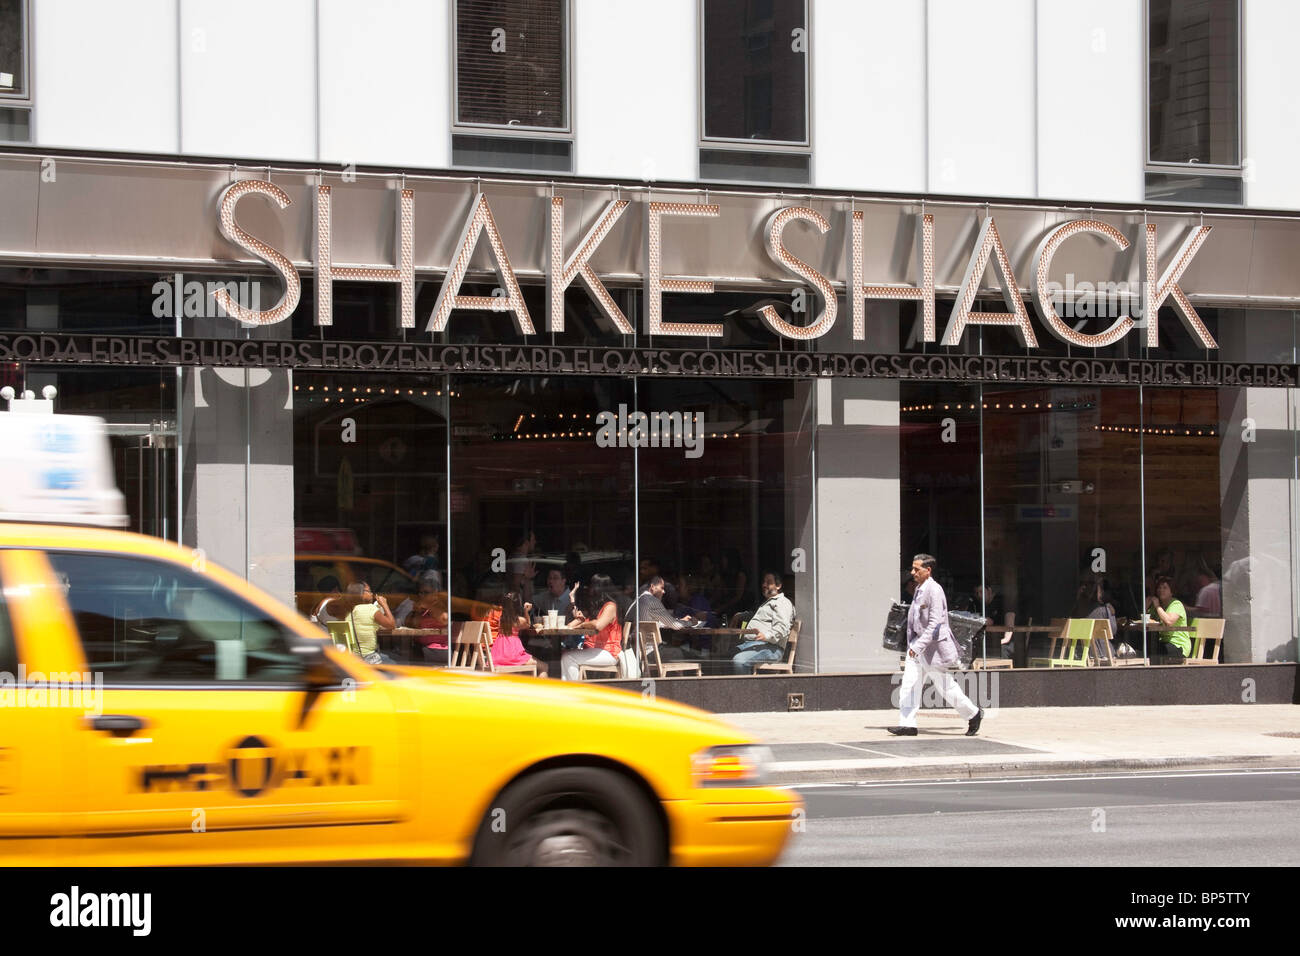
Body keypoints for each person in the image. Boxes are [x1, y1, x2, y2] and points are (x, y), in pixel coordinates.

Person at [889, 554, 983, 737]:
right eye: (913, 569)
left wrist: (918, 646)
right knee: (909, 685)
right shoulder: (919, 588)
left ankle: (973, 714)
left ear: (928, 570)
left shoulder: (935, 590)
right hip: (917, 647)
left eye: (917, 569)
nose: (913, 572)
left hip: (931, 649)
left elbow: (935, 624)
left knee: (945, 687)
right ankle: (907, 724)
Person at [561, 574, 624, 681]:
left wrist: (582, 625)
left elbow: (598, 626)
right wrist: (579, 617)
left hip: (608, 652)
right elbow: (569, 626)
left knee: (568, 657)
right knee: (565, 654)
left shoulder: (610, 606)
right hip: (593, 649)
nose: (588, 589)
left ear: (598, 588)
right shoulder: (595, 607)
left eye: (591, 585)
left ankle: (574, 691)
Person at [731, 572, 794, 674]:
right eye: (764, 582)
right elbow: (758, 616)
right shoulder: (768, 603)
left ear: (778, 586)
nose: (764, 585)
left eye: (769, 582)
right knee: (723, 657)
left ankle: (744, 690)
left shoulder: (782, 602)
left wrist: (766, 636)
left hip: (771, 648)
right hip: (752, 645)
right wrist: (741, 615)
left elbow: (782, 626)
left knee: (739, 661)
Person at [488, 591, 547, 676]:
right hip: (512, 656)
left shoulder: (501, 619)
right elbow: (528, 625)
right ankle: (540, 689)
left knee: (521, 672)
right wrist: (526, 611)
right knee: (544, 666)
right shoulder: (518, 620)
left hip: (498, 657)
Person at [345, 581, 396, 665]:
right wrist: (384, 604)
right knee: (397, 663)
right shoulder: (370, 608)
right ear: (361, 594)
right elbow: (392, 625)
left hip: (354, 657)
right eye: (369, 591)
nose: (372, 593)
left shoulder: (349, 611)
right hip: (369, 657)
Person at [1146, 576, 1192, 661]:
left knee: (1153, 650)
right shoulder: (1158, 606)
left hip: (1178, 645)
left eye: (1165, 588)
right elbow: (1145, 619)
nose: (1161, 590)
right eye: (1159, 588)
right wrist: (1146, 605)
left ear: (1172, 592)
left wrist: (1157, 606)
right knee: (1145, 646)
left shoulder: (1176, 604)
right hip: (1163, 642)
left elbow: (1169, 621)